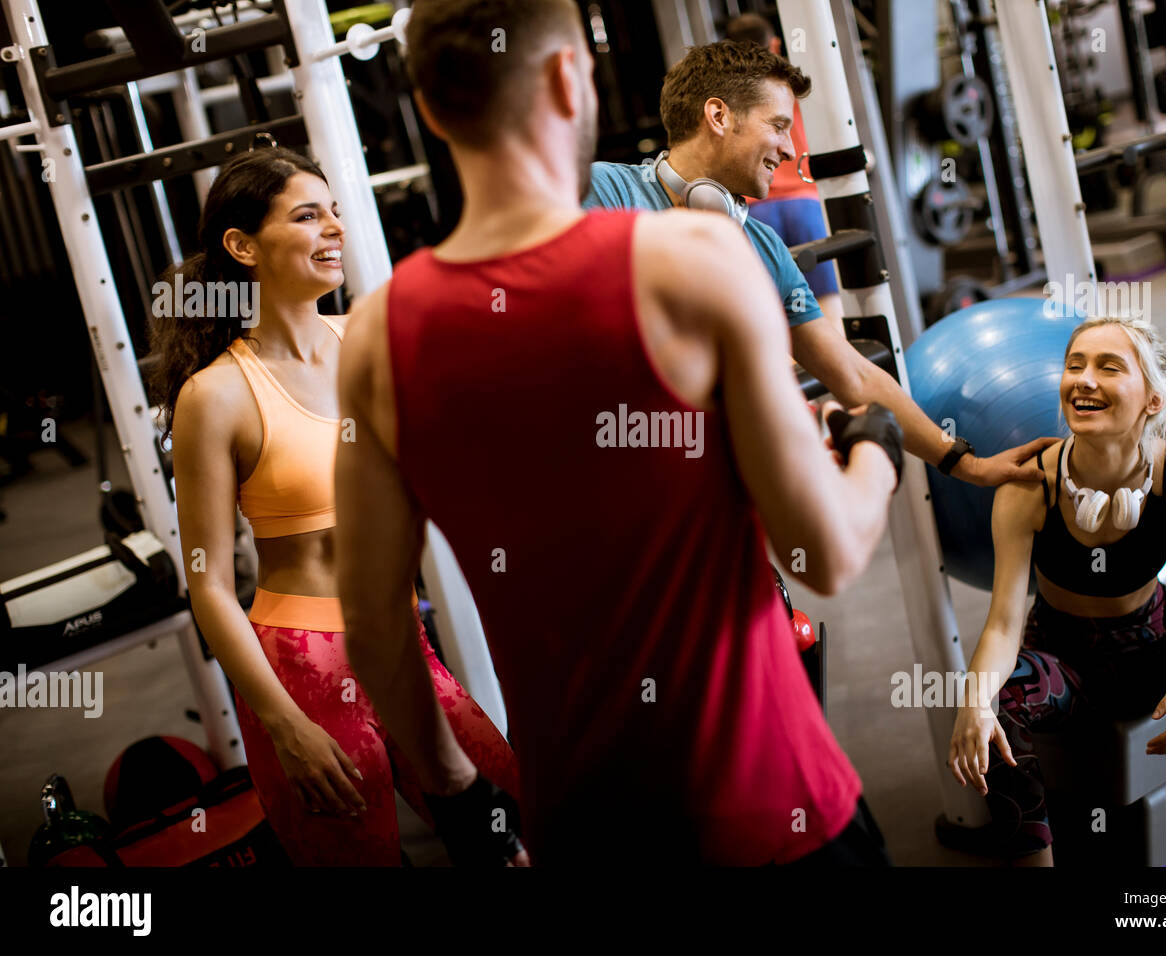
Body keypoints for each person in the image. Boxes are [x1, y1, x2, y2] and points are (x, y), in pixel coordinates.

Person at [337, 0, 902, 866]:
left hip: (584, 828)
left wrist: (458, 797)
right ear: (571, 77)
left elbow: (375, 627)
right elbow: (822, 554)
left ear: (430, 110)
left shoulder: (377, 336)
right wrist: (875, 454)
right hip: (769, 809)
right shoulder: (694, 263)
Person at [152, 147, 524, 866]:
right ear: (241, 246)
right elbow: (208, 582)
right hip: (301, 662)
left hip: (402, 641)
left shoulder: (364, 337)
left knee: (508, 824)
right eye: (306, 215)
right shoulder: (217, 396)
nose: (335, 229)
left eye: (334, 212)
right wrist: (284, 724)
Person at [582, 39, 1055, 490]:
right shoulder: (602, 192)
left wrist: (964, 462)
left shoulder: (761, 245)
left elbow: (854, 375)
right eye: (778, 125)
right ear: (718, 115)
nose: (790, 149)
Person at [948, 315, 1166, 866]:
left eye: (1109, 367)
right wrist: (975, 698)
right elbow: (1002, 624)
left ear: (1152, 402)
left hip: (1157, 648)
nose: (1084, 379)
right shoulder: (1027, 486)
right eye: (1074, 366)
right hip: (1065, 663)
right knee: (996, 703)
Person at [723, 12, 841, 332]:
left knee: (778, 322)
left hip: (754, 213)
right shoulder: (793, 85)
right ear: (774, 44)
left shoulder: (726, 98)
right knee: (829, 313)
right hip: (805, 207)